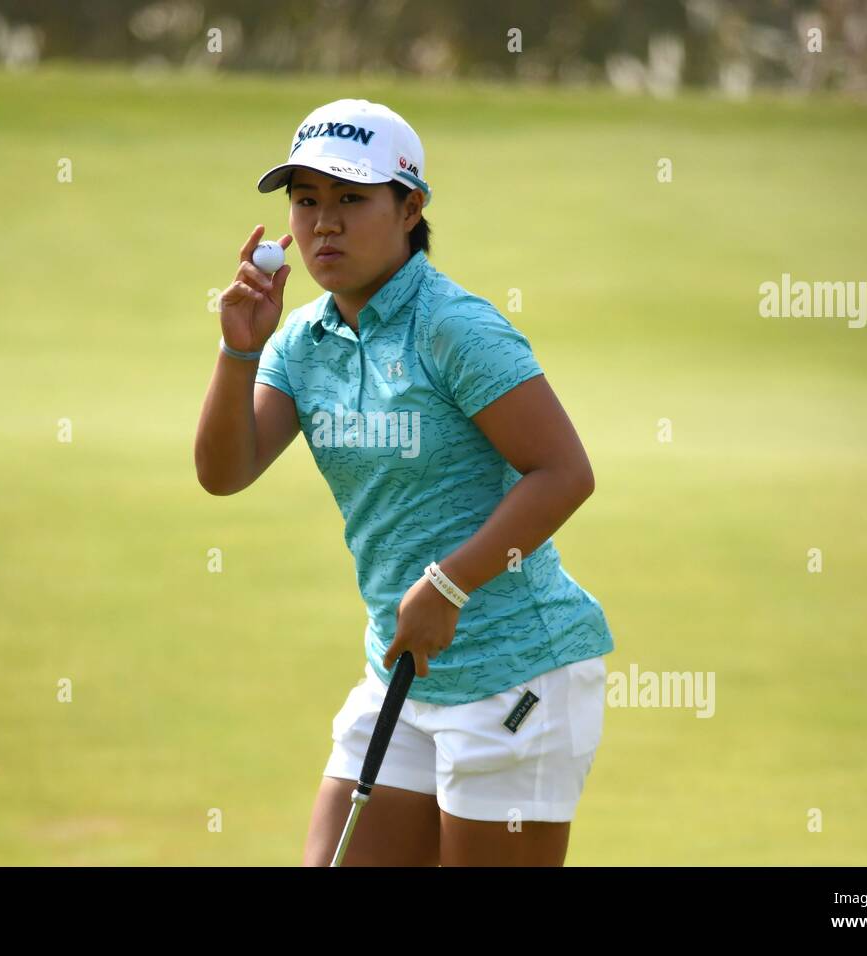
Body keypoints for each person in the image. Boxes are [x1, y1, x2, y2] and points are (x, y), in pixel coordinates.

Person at [194, 99, 614, 866]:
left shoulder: (453, 327)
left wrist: (451, 585)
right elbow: (226, 473)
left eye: (352, 199)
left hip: (517, 673)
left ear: (410, 206)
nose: (325, 223)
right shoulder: (303, 342)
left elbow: (564, 472)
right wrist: (238, 354)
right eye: (307, 200)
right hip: (401, 669)